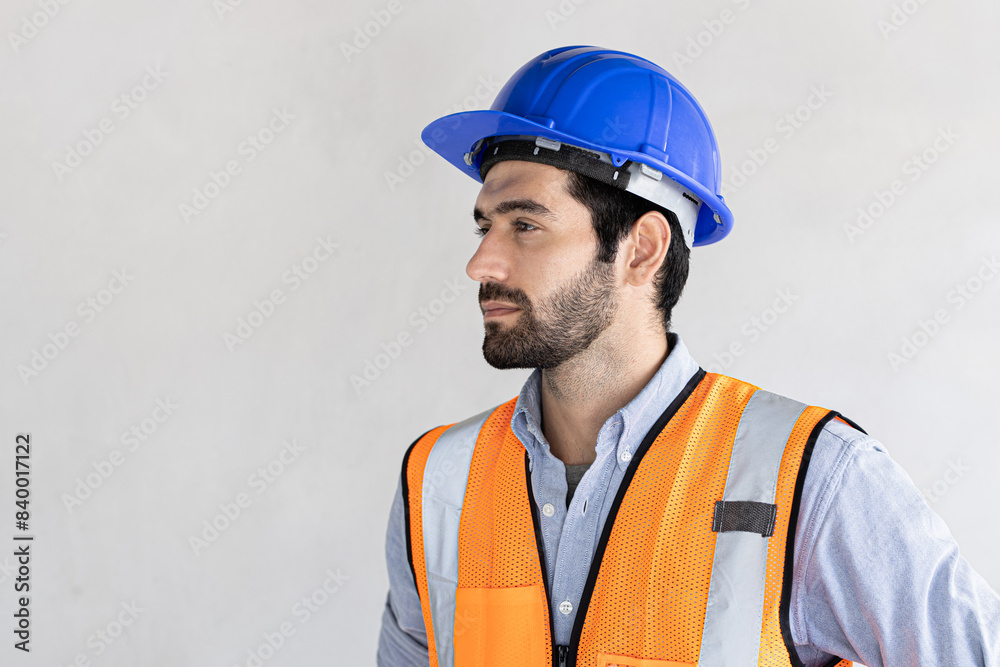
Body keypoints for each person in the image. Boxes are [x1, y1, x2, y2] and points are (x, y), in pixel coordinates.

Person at [376, 45, 1000, 667]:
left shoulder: (810, 477)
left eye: (525, 225)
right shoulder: (438, 480)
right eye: (485, 226)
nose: (480, 264)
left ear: (641, 249)